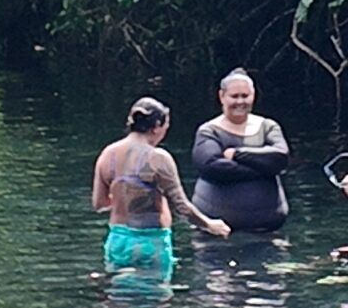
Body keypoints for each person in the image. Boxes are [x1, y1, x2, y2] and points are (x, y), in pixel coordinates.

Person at [91, 97, 231, 286]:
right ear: (157, 126)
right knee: (154, 306)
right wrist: (210, 225)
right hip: (151, 243)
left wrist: (125, 195)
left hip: (118, 241)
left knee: (120, 302)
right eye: (166, 126)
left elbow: (99, 204)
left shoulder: (107, 154)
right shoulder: (158, 158)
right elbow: (181, 207)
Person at [191, 70, 292, 233]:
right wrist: (264, 168)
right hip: (216, 234)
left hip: (268, 229)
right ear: (222, 96)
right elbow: (212, 167)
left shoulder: (268, 126)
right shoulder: (208, 131)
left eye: (245, 96)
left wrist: (238, 154)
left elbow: (280, 157)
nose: (240, 101)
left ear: (254, 96)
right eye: (234, 96)